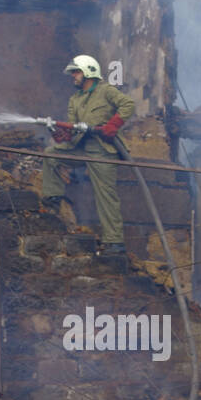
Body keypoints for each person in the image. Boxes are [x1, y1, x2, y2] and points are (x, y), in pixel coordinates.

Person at [41, 54, 135, 258]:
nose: (73, 76)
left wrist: (113, 126)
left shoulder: (106, 90)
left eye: (76, 72)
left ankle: (114, 242)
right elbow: (71, 131)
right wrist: (55, 130)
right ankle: (52, 199)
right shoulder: (74, 99)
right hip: (80, 148)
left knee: (106, 195)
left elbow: (128, 105)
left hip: (102, 150)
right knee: (51, 154)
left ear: (88, 72)